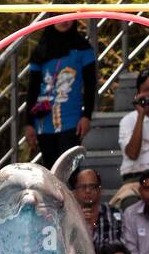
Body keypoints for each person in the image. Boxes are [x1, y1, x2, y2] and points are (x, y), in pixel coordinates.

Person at [24, 18, 96, 167]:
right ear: (51, 18)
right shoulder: (40, 50)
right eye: (59, 15)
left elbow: (91, 84)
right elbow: (33, 89)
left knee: (69, 169)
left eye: (68, 15)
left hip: (71, 120)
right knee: (51, 169)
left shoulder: (83, 48)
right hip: (44, 121)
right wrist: (29, 123)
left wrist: (87, 115)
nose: (64, 20)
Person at [69, 166, 121, 250]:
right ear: (74, 193)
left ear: (100, 190)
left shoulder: (113, 213)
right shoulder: (67, 217)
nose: (88, 191)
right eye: (83, 187)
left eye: (92, 186)